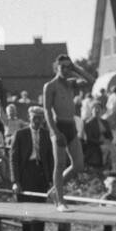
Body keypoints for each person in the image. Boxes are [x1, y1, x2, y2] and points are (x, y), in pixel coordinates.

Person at [42, 54, 91, 207]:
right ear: (56, 67)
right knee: (60, 164)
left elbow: (91, 81)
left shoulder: (70, 84)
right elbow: (47, 111)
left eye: (67, 66)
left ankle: (54, 191)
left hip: (71, 126)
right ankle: (60, 201)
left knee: (78, 165)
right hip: (58, 126)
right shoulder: (50, 86)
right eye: (62, 66)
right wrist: (55, 132)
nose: (65, 69)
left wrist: (76, 67)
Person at [11, 106, 54, 198]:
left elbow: (50, 158)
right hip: (26, 172)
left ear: (43, 119)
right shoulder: (20, 134)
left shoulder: (46, 134)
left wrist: (52, 181)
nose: (37, 121)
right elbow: (13, 160)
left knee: (40, 202)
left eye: (40, 118)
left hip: (42, 173)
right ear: (29, 118)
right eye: (35, 118)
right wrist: (15, 182)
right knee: (24, 202)